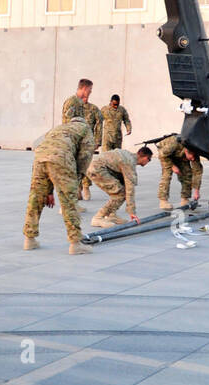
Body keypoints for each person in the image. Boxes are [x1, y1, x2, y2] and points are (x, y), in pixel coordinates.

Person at [23, 117, 96, 255]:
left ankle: (29, 240)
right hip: (61, 157)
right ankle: (75, 244)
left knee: (35, 198)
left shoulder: (58, 128)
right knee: (69, 201)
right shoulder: (86, 129)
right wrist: (77, 177)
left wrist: (48, 191)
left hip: (40, 156)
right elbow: (85, 155)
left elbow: (48, 153)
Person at [88, 146, 152, 228]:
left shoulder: (128, 156)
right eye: (149, 160)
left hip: (97, 167)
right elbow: (130, 188)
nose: (148, 162)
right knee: (120, 194)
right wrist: (132, 212)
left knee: (120, 189)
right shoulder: (129, 163)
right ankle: (98, 218)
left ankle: (111, 215)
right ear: (145, 158)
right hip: (97, 169)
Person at [61, 79, 101, 199]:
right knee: (71, 173)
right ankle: (66, 205)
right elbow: (68, 124)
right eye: (90, 89)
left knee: (77, 172)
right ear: (84, 88)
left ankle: (73, 202)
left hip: (78, 143)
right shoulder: (72, 102)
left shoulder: (79, 103)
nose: (90, 92)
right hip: (72, 142)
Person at [157, 134, 202, 210]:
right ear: (186, 151)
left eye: (195, 156)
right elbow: (161, 154)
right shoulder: (174, 144)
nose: (193, 159)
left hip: (179, 156)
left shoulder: (194, 151)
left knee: (188, 174)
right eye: (192, 157)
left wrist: (197, 191)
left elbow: (197, 172)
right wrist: (172, 166)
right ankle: (163, 201)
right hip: (166, 155)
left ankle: (185, 199)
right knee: (167, 176)